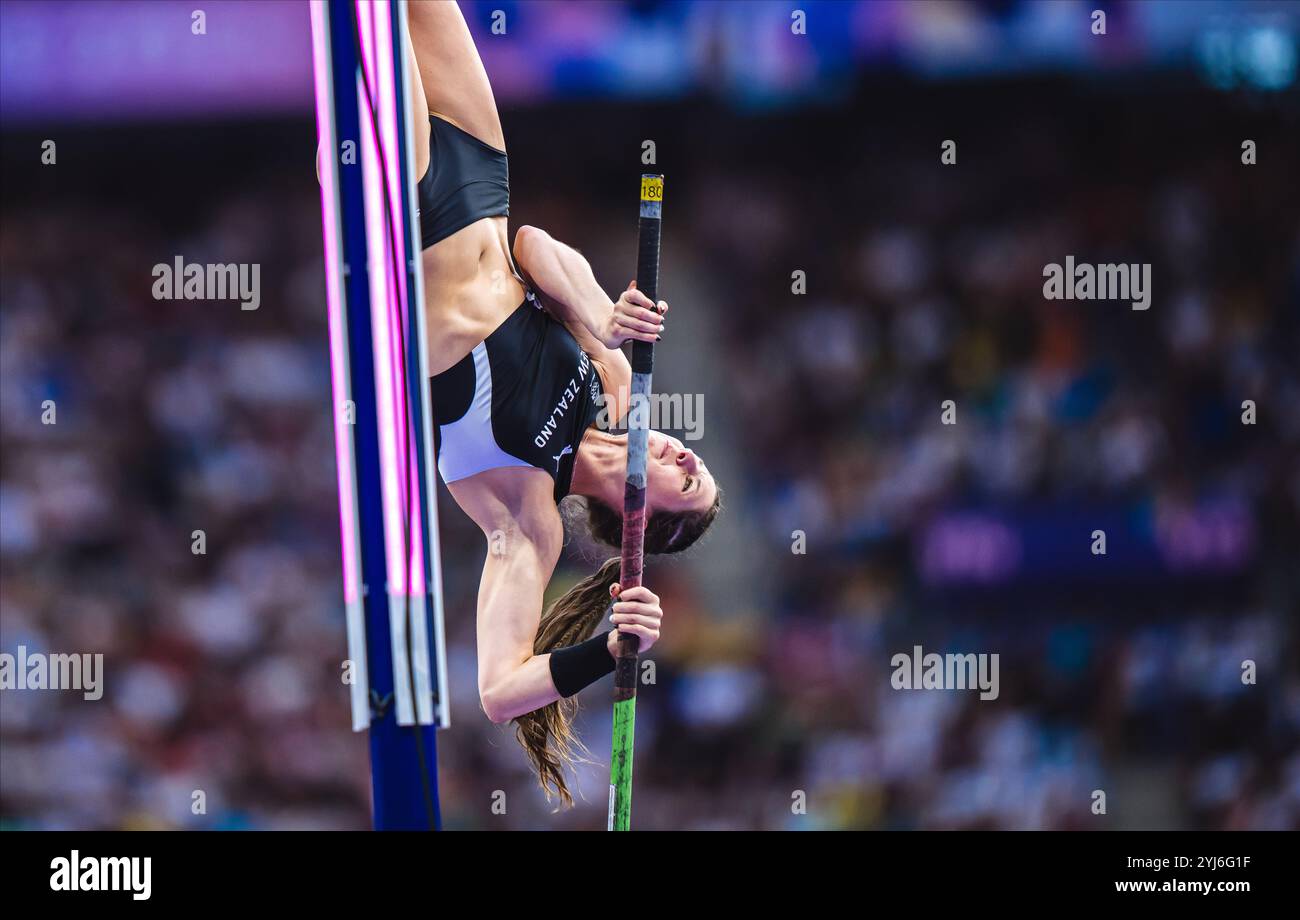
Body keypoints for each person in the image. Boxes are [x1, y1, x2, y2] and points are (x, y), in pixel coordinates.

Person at [405, 1, 719, 806]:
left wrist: (607, 651)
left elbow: (499, 691)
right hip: (481, 179)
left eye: (689, 481)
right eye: (699, 461)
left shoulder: (527, 517)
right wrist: (602, 326)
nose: (687, 455)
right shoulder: (608, 385)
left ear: (645, 521)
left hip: (410, 224)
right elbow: (534, 246)